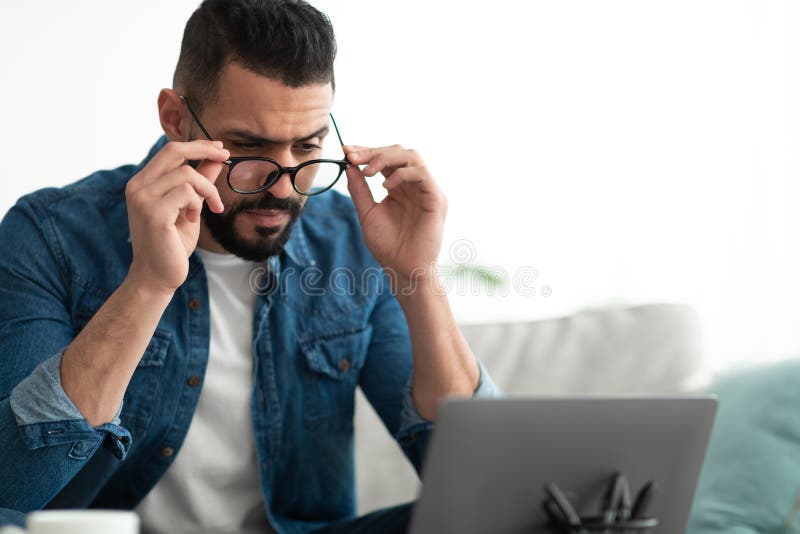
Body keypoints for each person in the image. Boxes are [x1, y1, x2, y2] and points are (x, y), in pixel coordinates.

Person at [0, 1, 500, 533]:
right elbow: (15, 486)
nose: (284, 186)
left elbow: (488, 489)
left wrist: (416, 274)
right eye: (248, 146)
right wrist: (148, 283)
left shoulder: (352, 241)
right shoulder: (50, 234)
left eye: (307, 146)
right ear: (175, 118)